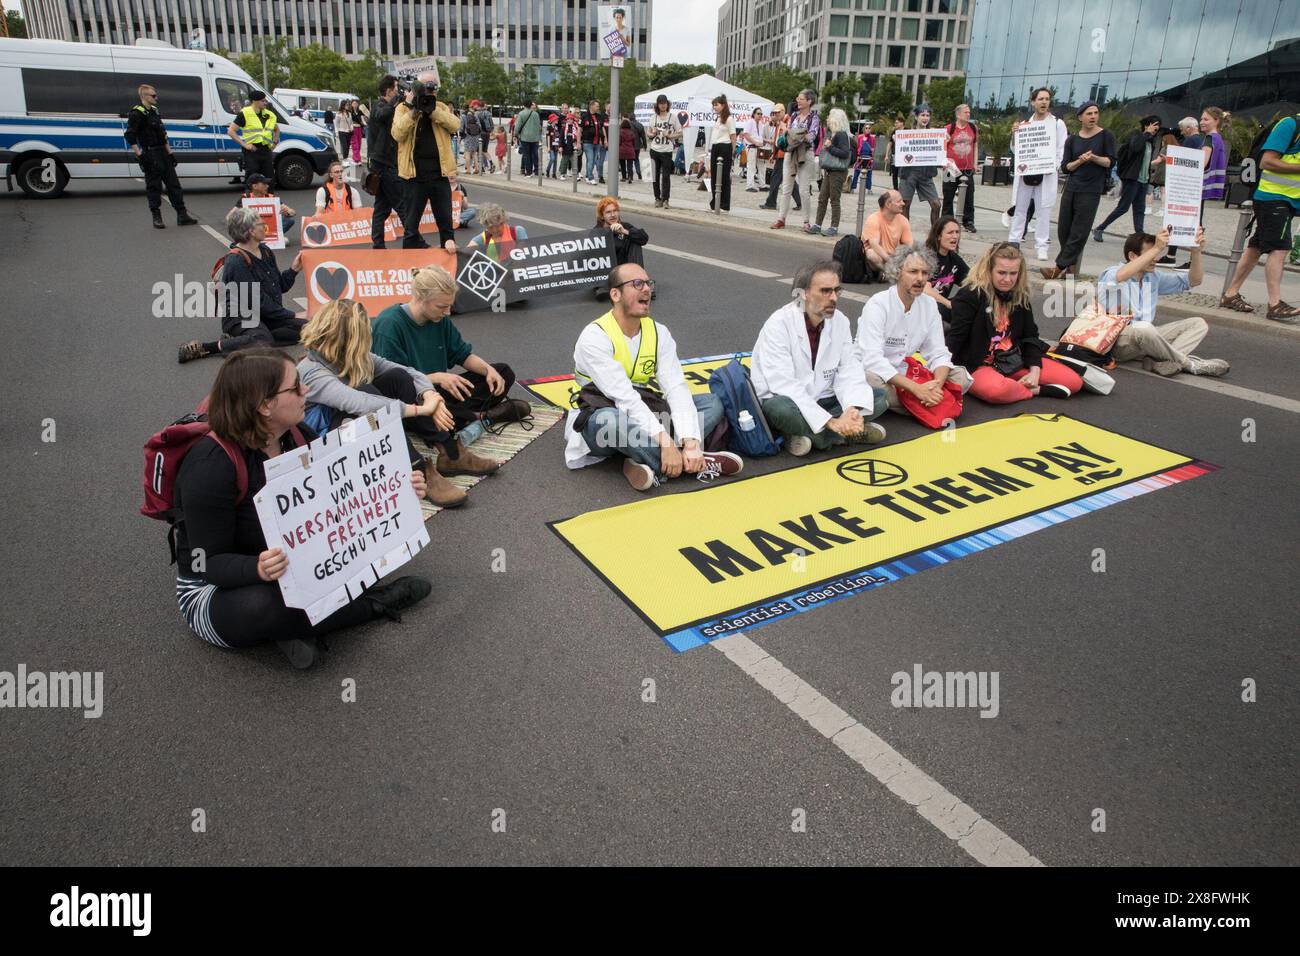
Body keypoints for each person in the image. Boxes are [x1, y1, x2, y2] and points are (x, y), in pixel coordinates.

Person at [173, 348, 432, 668]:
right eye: (295, 387)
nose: (305, 391)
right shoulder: (210, 467)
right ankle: (374, 605)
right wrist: (255, 568)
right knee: (265, 607)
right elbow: (204, 564)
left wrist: (398, 488)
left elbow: (337, 496)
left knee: (357, 553)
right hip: (216, 587)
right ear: (265, 405)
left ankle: (295, 628)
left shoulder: (296, 434)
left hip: (291, 562)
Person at [299, 298, 498, 510]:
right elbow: (360, 403)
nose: (367, 339)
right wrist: (419, 409)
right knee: (366, 393)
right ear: (345, 338)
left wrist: (429, 394)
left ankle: (449, 452)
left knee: (398, 376)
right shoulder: (311, 370)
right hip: (323, 442)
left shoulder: (351, 356)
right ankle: (417, 468)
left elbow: (411, 373)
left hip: (355, 421)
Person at [565, 262, 741, 491]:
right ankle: (690, 463)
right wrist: (667, 443)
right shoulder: (594, 336)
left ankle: (647, 460)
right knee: (611, 421)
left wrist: (691, 442)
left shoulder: (659, 332)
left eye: (648, 283)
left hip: (646, 411)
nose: (647, 289)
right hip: (603, 416)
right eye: (637, 284)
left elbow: (675, 387)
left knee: (711, 403)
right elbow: (625, 398)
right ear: (615, 294)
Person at [372, 265, 531, 437]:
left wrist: (488, 370)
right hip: (412, 396)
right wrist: (438, 377)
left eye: (449, 306)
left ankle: (463, 418)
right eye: (441, 306)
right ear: (420, 298)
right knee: (420, 405)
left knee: (503, 373)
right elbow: (395, 383)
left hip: (438, 392)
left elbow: (462, 354)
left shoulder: (439, 319)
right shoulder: (389, 324)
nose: (447, 312)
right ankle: (478, 416)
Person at [752, 261, 887, 456]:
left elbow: (849, 369)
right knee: (779, 409)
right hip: (789, 401)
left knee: (879, 398)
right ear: (803, 293)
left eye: (836, 291)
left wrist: (851, 410)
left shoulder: (840, 320)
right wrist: (832, 421)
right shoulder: (779, 324)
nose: (833, 298)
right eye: (825, 291)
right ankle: (842, 435)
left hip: (823, 399)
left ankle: (807, 436)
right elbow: (783, 384)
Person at [947, 244, 1082, 402]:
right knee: (995, 391)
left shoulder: (1019, 295)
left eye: (1013, 273)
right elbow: (956, 337)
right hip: (979, 364)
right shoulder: (970, 295)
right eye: (1001, 273)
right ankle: (1037, 391)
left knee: (1074, 382)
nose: (1007, 279)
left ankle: (1017, 387)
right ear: (988, 270)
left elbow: (1030, 335)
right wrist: (942, 370)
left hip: (1013, 359)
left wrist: (1034, 371)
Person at [856, 244, 973, 419]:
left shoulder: (929, 304)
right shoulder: (878, 304)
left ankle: (917, 402)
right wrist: (916, 389)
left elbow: (938, 352)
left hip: (907, 372)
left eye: (925, 273)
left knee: (961, 377)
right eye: (913, 272)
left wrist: (937, 385)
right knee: (869, 380)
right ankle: (922, 403)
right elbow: (872, 360)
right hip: (879, 373)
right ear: (897, 272)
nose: (920, 279)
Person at [177, 207, 304, 364]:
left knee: (309, 329)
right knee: (263, 341)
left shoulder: (265, 251)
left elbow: (279, 287)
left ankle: (242, 340)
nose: (266, 226)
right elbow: (257, 301)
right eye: (262, 224)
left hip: (264, 314)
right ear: (250, 231)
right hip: (241, 317)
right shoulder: (236, 262)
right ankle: (208, 347)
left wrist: (294, 270)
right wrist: (291, 315)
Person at [1097, 227, 1230, 376]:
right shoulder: (1112, 273)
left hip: (1145, 338)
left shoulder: (1153, 277)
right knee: (1145, 328)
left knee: (1198, 324)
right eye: (1151, 253)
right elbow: (1120, 276)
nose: (1157, 258)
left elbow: (1194, 280)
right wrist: (1158, 247)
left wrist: (1196, 252)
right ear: (1133, 256)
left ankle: (1165, 362)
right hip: (1117, 342)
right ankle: (1191, 365)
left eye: (1158, 253)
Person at [1219, 113, 1300, 321]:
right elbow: (1267, 162)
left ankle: (1230, 294)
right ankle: (1274, 304)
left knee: (1255, 247)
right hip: (1272, 197)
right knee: (1280, 247)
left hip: (1288, 199)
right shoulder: (1290, 125)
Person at [1041, 101, 1116, 280]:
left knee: (1079, 230)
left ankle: (1058, 268)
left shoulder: (1106, 136)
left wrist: (1094, 158)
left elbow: (1110, 162)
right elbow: (1066, 167)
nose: (1093, 117)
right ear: (1080, 117)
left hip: (1091, 189)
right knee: (1064, 229)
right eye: (1089, 114)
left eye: (1095, 113)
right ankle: (1071, 267)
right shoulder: (1072, 139)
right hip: (1072, 187)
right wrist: (1080, 161)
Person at [391, 71, 459, 253]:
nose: (430, 93)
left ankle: (448, 261)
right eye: (426, 89)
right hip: (413, 176)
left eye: (434, 89)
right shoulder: (403, 109)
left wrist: (433, 111)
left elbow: (455, 125)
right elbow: (397, 133)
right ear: (417, 89)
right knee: (411, 225)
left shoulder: (442, 108)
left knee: (446, 224)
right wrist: (414, 111)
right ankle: (410, 264)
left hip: (439, 175)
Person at [124, 84, 198, 229]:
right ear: (144, 97)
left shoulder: (155, 111)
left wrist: (170, 154)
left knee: (174, 185)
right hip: (150, 153)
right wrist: (140, 155)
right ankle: (156, 216)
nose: (156, 97)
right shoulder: (136, 113)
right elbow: (130, 135)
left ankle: (182, 215)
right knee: (154, 187)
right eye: (153, 96)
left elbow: (163, 135)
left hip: (162, 153)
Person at [1008, 87, 1068, 262]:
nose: (1044, 102)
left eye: (1047, 99)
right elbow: (1016, 150)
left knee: (1043, 210)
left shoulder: (1057, 123)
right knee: (1020, 208)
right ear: (1033, 102)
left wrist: (1053, 165)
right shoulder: (1026, 124)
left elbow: (1061, 149)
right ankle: (1014, 241)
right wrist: (1015, 135)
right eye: (1040, 99)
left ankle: (1042, 245)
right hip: (1027, 170)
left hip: (1046, 172)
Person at [1094, 115, 1161, 241]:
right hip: (1132, 179)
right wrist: (1146, 133)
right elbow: (1135, 148)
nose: (1156, 128)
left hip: (1143, 180)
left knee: (1140, 209)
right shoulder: (1136, 136)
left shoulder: (1150, 142)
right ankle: (1100, 228)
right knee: (1123, 207)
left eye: (1158, 126)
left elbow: (1144, 162)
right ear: (1147, 125)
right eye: (1154, 125)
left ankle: (1140, 235)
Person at [772, 89, 819, 230]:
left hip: (806, 154)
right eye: (798, 98)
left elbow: (811, 136)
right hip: (791, 153)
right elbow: (790, 134)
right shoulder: (793, 116)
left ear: (809, 101)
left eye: (801, 99)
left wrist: (793, 134)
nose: (798, 101)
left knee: (804, 189)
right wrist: (795, 135)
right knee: (786, 187)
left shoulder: (814, 118)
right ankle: (781, 218)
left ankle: (806, 221)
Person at [367, 75, 403, 249]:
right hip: (383, 164)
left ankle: (378, 244)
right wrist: (396, 101)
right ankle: (414, 239)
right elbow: (383, 115)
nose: (398, 92)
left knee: (382, 208)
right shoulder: (379, 106)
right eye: (396, 89)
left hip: (384, 162)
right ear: (389, 91)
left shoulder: (389, 107)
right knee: (402, 204)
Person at [592, 196, 649, 298]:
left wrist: (625, 232)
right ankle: (604, 286)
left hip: (625, 270)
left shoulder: (624, 226)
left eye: (615, 211)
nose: (613, 215)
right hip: (607, 271)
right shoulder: (596, 232)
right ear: (602, 216)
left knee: (635, 241)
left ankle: (638, 282)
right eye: (608, 212)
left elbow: (644, 238)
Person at [898, 103, 943, 228]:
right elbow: (900, 148)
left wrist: (944, 140)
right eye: (922, 115)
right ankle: (905, 234)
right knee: (906, 204)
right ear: (916, 117)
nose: (925, 118)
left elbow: (941, 148)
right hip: (909, 173)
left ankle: (935, 236)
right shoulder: (907, 132)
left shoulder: (934, 133)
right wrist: (897, 140)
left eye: (927, 115)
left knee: (936, 204)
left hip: (926, 173)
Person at [810, 108, 852, 236]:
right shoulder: (833, 134)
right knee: (822, 198)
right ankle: (817, 224)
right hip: (829, 170)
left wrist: (830, 147)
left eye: (829, 116)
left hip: (837, 171)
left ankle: (834, 227)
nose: (827, 119)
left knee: (834, 199)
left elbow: (845, 153)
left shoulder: (841, 135)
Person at [226, 89, 280, 187]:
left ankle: (270, 199)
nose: (265, 103)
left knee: (270, 180)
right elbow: (231, 131)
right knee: (252, 180)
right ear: (255, 101)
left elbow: (276, 129)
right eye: (263, 101)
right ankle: (249, 200)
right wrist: (245, 145)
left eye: (265, 100)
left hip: (266, 150)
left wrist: (275, 142)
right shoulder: (245, 113)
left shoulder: (268, 115)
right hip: (252, 151)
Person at [923, 216, 969, 326]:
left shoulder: (954, 259)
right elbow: (925, 290)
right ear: (939, 236)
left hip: (942, 307)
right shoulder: (926, 257)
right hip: (922, 306)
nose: (955, 236)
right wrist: (949, 304)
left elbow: (972, 281)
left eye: (957, 232)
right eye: (950, 233)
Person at [941, 104, 978, 232]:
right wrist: (944, 161)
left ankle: (969, 221)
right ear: (958, 114)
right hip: (950, 168)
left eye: (969, 112)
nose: (968, 114)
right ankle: (946, 221)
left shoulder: (973, 128)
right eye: (966, 112)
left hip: (967, 168)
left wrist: (975, 162)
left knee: (969, 195)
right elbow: (943, 147)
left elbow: (976, 145)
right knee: (948, 195)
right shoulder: (949, 128)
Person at [860, 188, 913, 275]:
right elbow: (874, 245)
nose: (903, 203)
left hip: (892, 257)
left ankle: (886, 272)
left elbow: (909, 245)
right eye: (899, 201)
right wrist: (891, 261)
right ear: (888, 204)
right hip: (878, 258)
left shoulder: (903, 220)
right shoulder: (873, 219)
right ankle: (888, 272)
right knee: (872, 255)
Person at [647, 94, 681, 208]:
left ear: (667, 104)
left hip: (666, 150)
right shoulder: (653, 118)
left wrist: (670, 135)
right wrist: (653, 133)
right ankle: (657, 198)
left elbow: (680, 132)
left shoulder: (673, 117)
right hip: (655, 149)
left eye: (665, 103)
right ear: (658, 105)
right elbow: (649, 133)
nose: (663, 105)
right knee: (655, 175)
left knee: (666, 176)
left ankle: (665, 199)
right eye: (661, 103)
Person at [707, 95, 737, 212]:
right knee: (714, 175)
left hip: (725, 147)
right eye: (714, 105)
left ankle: (724, 203)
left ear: (723, 105)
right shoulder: (718, 119)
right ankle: (715, 201)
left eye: (716, 105)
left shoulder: (729, 119)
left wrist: (732, 152)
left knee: (724, 176)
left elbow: (733, 136)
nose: (715, 107)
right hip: (716, 146)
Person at [760, 104, 788, 210]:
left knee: (775, 178)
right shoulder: (778, 123)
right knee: (787, 179)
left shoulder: (787, 122)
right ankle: (799, 201)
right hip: (780, 154)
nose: (775, 114)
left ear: (782, 112)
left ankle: (771, 202)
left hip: (784, 154)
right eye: (774, 113)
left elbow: (786, 138)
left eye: (777, 112)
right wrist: (774, 154)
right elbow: (777, 140)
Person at [513, 99, 541, 177]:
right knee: (533, 154)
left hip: (525, 137)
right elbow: (539, 126)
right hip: (535, 138)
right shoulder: (536, 114)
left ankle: (528, 172)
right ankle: (535, 170)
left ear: (524, 105)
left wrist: (515, 135)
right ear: (530, 105)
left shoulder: (521, 113)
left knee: (526, 155)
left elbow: (517, 126)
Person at [741, 107, 765, 192]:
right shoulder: (750, 122)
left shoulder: (762, 124)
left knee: (762, 166)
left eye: (761, 114)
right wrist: (755, 142)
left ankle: (762, 184)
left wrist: (762, 143)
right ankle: (749, 185)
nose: (760, 115)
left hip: (760, 148)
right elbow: (746, 135)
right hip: (752, 147)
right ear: (754, 114)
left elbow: (762, 136)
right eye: (758, 113)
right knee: (751, 167)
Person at [850, 122, 875, 194]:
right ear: (864, 129)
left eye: (869, 128)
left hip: (869, 158)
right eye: (866, 128)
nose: (867, 129)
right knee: (856, 173)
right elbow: (857, 147)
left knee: (869, 174)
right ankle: (853, 188)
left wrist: (872, 158)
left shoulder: (872, 138)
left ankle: (869, 189)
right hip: (860, 157)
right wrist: (857, 156)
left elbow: (873, 148)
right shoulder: (860, 137)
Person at [882, 116, 905, 192]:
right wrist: (886, 155)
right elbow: (890, 144)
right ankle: (896, 189)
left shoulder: (907, 131)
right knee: (894, 173)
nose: (895, 124)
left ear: (902, 123)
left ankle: (903, 188)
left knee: (903, 173)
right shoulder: (894, 132)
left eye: (897, 122)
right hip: (895, 155)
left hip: (904, 156)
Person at [618, 116, 637, 183]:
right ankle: (630, 177)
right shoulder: (631, 132)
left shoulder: (620, 132)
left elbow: (619, 142)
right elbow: (634, 142)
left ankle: (623, 177)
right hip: (630, 150)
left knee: (622, 165)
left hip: (622, 150)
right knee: (630, 165)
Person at [351, 98, 368, 164]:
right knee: (355, 144)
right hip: (353, 128)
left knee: (359, 143)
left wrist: (365, 123)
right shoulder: (350, 112)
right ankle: (357, 159)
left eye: (356, 103)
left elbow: (364, 119)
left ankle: (356, 157)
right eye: (354, 103)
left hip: (359, 128)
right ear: (352, 104)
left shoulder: (359, 112)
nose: (355, 105)